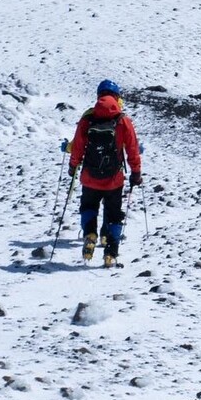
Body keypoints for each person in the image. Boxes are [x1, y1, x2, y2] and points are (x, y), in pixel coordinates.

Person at [67, 79, 144, 267]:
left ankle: (90, 234)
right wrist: (136, 173)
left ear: (98, 95)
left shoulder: (88, 118)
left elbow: (77, 146)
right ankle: (110, 254)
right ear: (117, 97)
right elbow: (132, 149)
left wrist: (73, 165)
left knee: (88, 209)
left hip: (90, 177)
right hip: (114, 180)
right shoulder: (122, 120)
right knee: (114, 215)